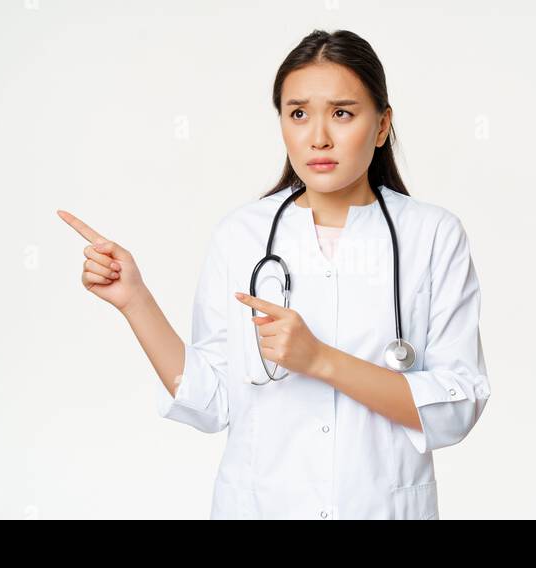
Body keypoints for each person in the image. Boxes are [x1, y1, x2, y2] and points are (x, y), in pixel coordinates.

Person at [58, 29, 489, 519]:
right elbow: (211, 401)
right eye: (298, 113)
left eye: (342, 113)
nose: (318, 137)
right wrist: (134, 300)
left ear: (383, 124)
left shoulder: (433, 235)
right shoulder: (241, 234)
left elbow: (457, 406)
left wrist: (320, 359)